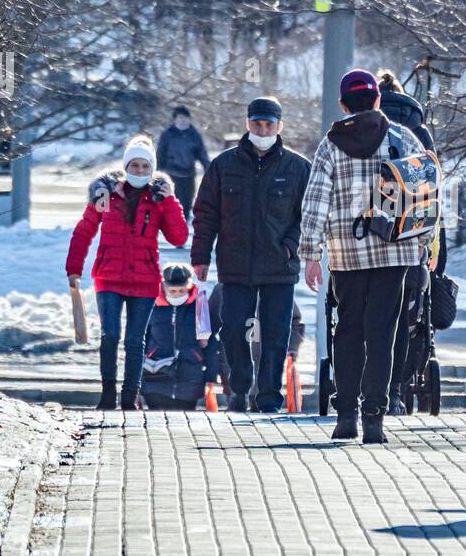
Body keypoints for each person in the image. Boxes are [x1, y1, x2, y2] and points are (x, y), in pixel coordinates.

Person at [300, 69, 426, 444]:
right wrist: (424, 238)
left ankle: (346, 416)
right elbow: (425, 193)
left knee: (348, 331)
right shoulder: (405, 139)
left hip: (346, 254)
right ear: (377, 100)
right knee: (383, 334)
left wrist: (310, 252)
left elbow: (315, 201)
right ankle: (375, 418)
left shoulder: (331, 145)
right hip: (395, 251)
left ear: (342, 105)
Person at [191, 97, 311, 412]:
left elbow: (309, 216)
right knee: (232, 329)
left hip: (279, 264)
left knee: (275, 333)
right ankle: (240, 390)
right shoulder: (224, 165)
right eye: (257, 123)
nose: (262, 129)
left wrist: (291, 244)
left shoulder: (297, 168)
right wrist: (200, 256)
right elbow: (206, 213)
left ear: (279, 126)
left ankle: (269, 395)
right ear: (247, 124)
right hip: (234, 264)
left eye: (268, 124)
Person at [67, 135, 189, 409]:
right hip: (108, 276)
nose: (139, 171)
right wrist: (74, 269)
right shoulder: (106, 195)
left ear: (152, 169)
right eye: (134, 165)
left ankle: (130, 396)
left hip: (144, 280)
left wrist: (170, 202)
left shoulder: (159, 199)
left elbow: (178, 236)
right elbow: (85, 230)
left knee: (136, 341)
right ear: (126, 166)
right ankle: (107, 393)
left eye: (145, 167)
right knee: (110, 335)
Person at [377, 68, 445, 415]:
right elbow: (432, 191)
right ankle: (397, 387)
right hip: (412, 239)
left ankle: (367, 385)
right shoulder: (419, 135)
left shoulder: (362, 127)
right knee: (409, 314)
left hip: (369, 238)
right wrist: (433, 246)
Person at [140, 264, 220, 410]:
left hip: (190, 381)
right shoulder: (150, 305)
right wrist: (136, 382)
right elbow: (140, 341)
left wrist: (211, 376)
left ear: (189, 287)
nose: (177, 295)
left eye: (181, 291)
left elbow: (210, 343)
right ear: (163, 287)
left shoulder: (199, 305)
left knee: (185, 421)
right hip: (155, 379)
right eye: (173, 291)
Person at [156, 105, 211, 209]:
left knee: (186, 205)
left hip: (189, 175)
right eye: (180, 118)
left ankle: (184, 223)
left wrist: (209, 171)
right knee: (171, 204)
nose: (183, 120)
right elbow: (160, 155)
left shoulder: (194, 135)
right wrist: (158, 175)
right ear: (175, 120)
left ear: (190, 120)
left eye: (186, 118)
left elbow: (202, 155)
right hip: (171, 175)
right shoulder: (167, 135)